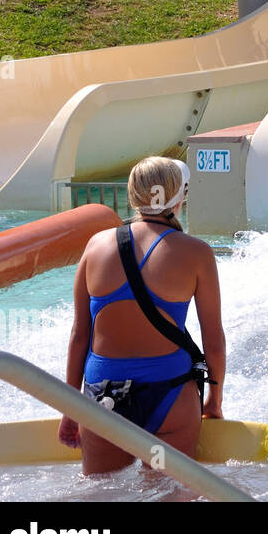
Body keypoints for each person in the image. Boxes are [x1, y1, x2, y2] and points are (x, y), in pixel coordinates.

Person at [58, 156, 225, 474]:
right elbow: (213, 340)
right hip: (171, 396)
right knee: (168, 494)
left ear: (132, 196)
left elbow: (80, 335)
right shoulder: (196, 253)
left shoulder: (96, 246)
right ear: (180, 198)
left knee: (102, 496)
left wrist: (71, 410)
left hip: (103, 401)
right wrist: (213, 402)